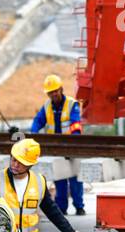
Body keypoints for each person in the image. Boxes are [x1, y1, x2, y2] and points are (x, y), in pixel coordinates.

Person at [30, 73, 85, 215]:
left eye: (55, 91)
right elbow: (38, 121)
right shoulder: (47, 106)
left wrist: (75, 141)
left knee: (75, 178)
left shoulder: (72, 104)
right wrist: (33, 135)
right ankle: (62, 209)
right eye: (50, 92)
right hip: (55, 149)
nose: (53, 94)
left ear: (61, 89)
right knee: (59, 177)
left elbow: (75, 124)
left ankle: (79, 207)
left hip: (72, 146)